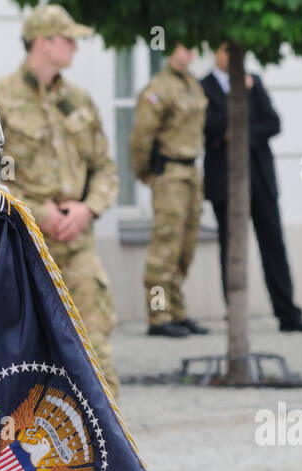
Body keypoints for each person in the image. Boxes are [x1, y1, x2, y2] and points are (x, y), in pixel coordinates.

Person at [0, 4, 122, 397]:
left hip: (77, 243)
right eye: (68, 40)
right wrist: (37, 212)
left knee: (95, 353)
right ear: (42, 42)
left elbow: (106, 169)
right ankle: (34, 453)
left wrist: (88, 209)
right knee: (27, 359)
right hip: (28, 248)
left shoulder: (80, 101)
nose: (75, 49)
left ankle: (106, 452)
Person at [202, 43, 302, 333]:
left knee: (274, 245)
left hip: (260, 179)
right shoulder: (203, 87)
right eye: (225, 50)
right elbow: (208, 129)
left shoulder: (254, 82)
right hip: (225, 182)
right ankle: (236, 316)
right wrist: (232, 117)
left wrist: (240, 134)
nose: (230, 56)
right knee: (230, 250)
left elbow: (273, 122)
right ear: (215, 52)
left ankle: (288, 314)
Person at [129, 45, 210, 338]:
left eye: (192, 49)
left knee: (185, 247)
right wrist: (146, 173)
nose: (189, 54)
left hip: (191, 171)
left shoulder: (192, 84)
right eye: (183, 48)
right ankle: (158, 314)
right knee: (164, 248)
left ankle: (177, 310)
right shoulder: (158, 88)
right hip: (170, 173)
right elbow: (141, 138)